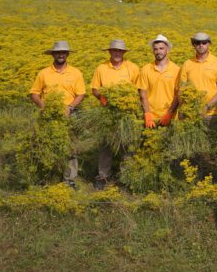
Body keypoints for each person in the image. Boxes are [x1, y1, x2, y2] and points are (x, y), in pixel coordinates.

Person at [29, 40, 86, 187]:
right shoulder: (43, 73)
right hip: (49, 116)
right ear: (53, 54)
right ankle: (48, 177)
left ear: (67, 54)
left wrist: (70, 107)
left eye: (63, 53)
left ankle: (69, 180)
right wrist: (44, 107)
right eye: (58, 53)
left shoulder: (76, 73)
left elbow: (80, 94)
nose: (60, 55)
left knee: (69, 147)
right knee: (46, 145)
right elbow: (34, 93)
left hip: (70, 115)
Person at [90, 39, 140, 188]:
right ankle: (103, 176)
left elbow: (139, 89)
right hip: (107, 112)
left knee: (127, 145)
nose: (117, 53)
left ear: (124, 53)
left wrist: (129, 102)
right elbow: (95, 88)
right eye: (114, 51)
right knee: (106, 145)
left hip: (127, 113)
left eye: (120, 51)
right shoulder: (101, 68)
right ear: (110, 52)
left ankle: (126, 177)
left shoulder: (133, 68)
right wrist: (102, 97)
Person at [178, 32, 217, 126]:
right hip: (191, 114)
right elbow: (181, 90)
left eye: (204, 42)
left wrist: (207, 107)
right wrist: (183, 108)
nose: (201, 45)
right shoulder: (187, 64)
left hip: (213, 114)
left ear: (209, 44)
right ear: (193, 45)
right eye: (197, 43)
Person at [138, 34, 180, 129]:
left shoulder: (177, 70)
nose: (158, 51)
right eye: (155, 49)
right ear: (153, 51)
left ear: (167, 50)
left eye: (161, 48)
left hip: (171, 118)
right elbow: (142, 94)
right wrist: (147, 114)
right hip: (151, 119)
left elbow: (178, 94)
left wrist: (169, 113)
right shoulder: (145, 69)